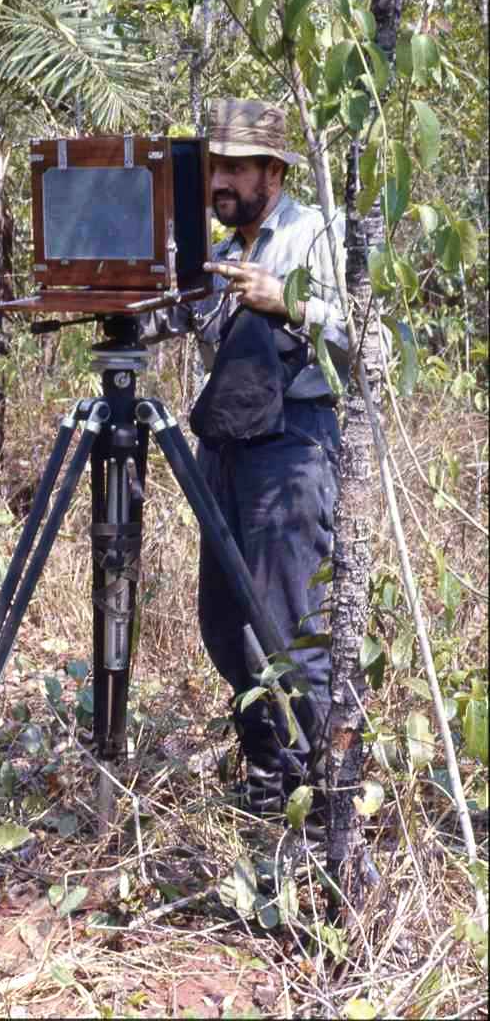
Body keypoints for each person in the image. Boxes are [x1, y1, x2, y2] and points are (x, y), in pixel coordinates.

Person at [142, 98, 348, 819]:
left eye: (234, 167)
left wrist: (287, 302)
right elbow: (176, 322)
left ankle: (321, 795)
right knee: (226, 621)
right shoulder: (219, 250)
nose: (221, 181)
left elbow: (363, 331)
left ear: (273, 171)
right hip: (226, 444)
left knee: (288, 620)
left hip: (291, 448)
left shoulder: (314, 232)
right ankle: (268, 776)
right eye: (214, 168)